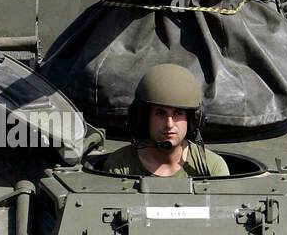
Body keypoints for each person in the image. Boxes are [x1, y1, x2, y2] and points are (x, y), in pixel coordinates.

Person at [98, 63, 229, 178]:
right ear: (144, 118)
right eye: (160, 113)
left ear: (192, 120)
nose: (169, 124)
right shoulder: (120, 165)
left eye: (178, 113)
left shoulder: (212, 167)